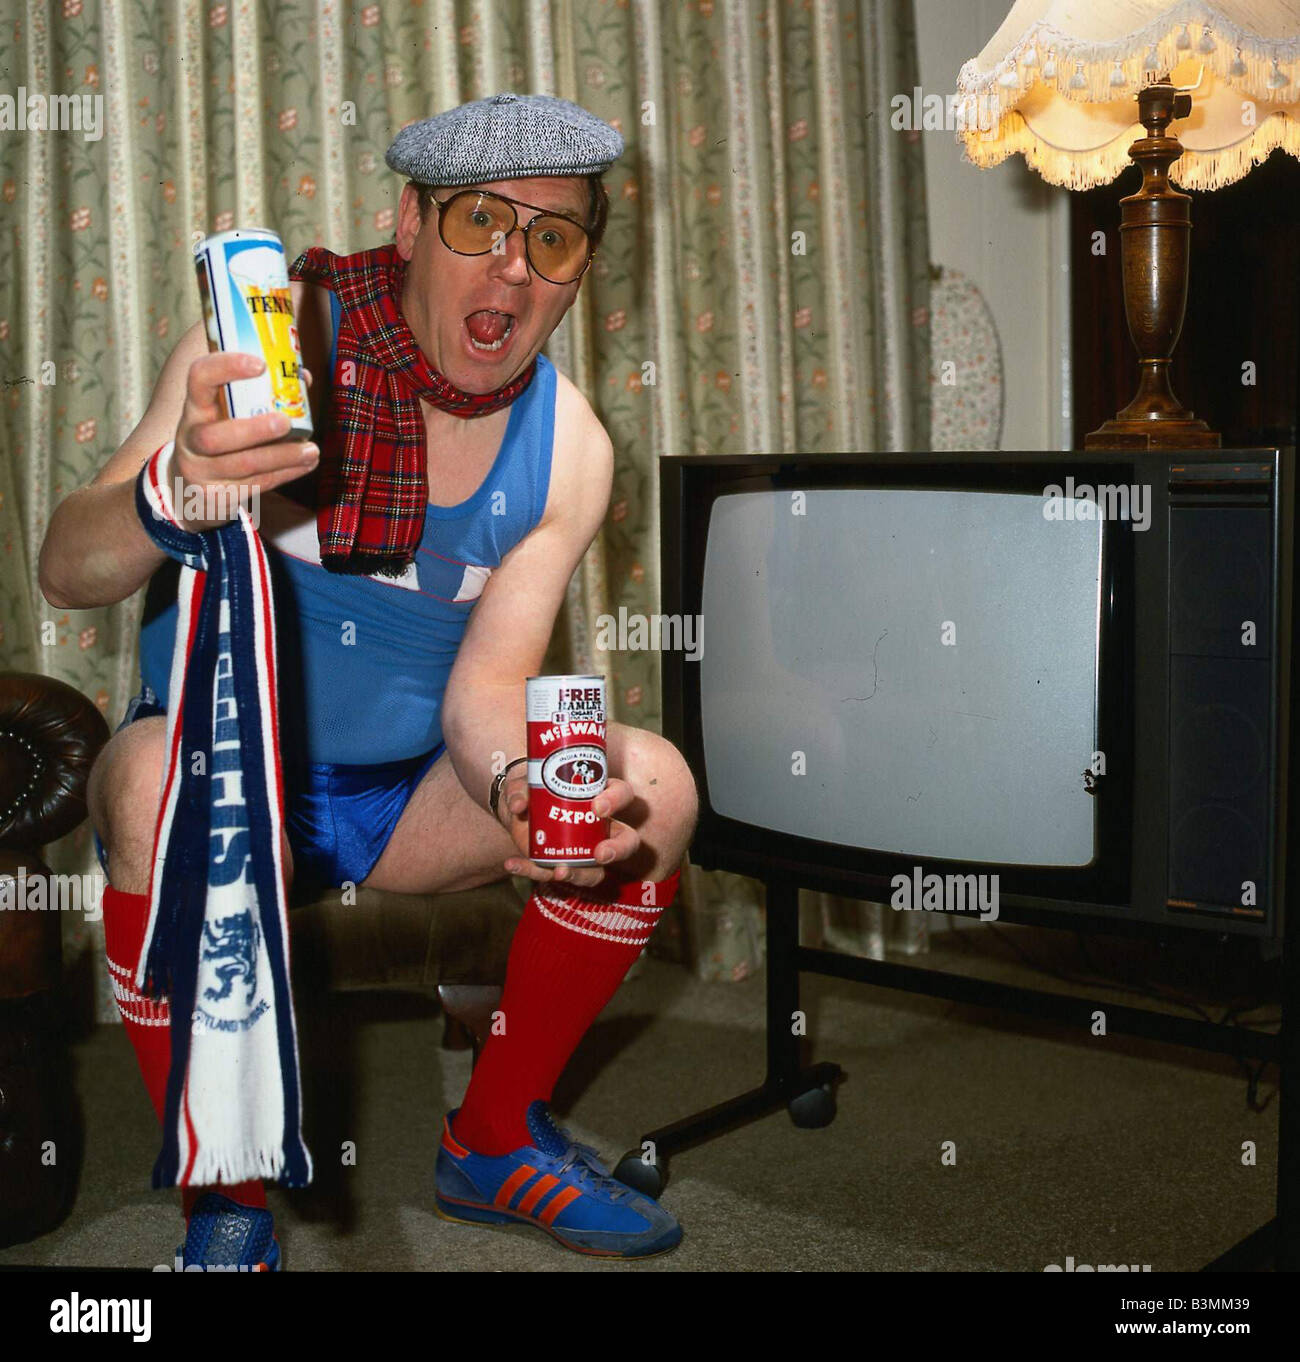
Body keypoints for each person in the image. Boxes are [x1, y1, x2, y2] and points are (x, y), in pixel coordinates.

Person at [37, 92, 699, 1266]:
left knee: (652, 788)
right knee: (146, 783)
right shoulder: (261, 348)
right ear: (406, 224)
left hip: (402, 797)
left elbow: (485, 695)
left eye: (551, 237)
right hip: (222, 769)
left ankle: (493, 1141)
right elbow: (66, 572)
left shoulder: (574, 449)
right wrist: (174, 490)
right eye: (478, 222)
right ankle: (224, 1192)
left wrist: (512, 795)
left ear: (579, 268)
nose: (511, 264)